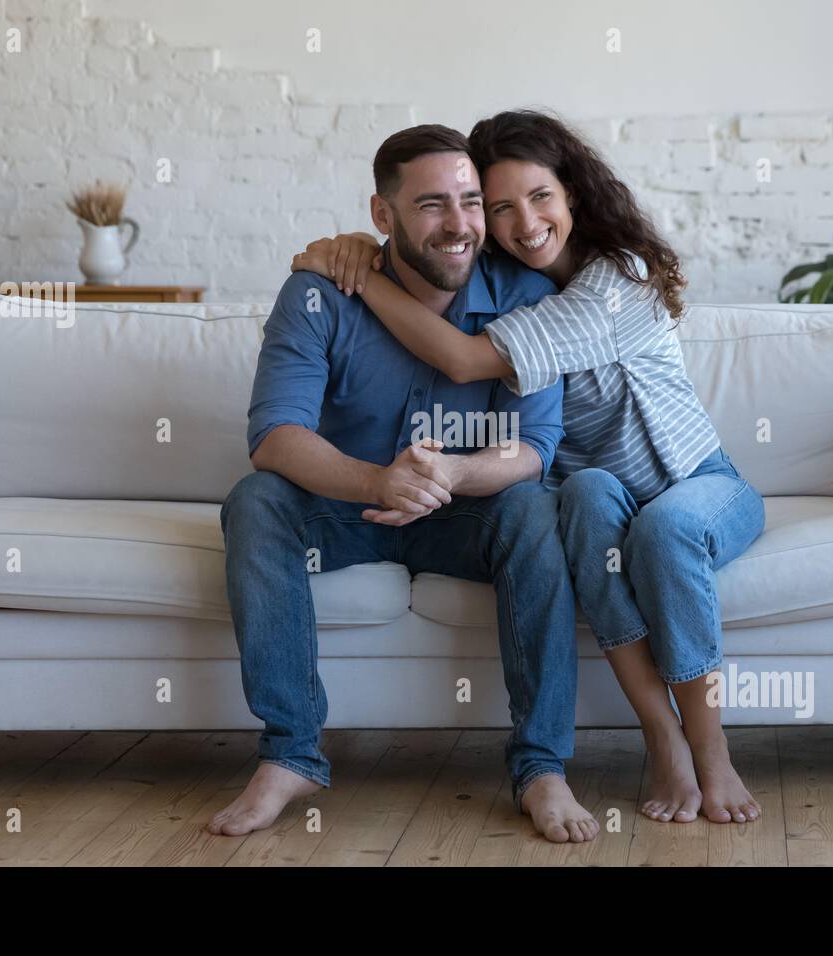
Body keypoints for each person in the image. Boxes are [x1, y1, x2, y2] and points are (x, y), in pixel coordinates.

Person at [290, 110, 766, 825]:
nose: (525, 222)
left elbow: (460, 358)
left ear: (572, 192)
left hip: (697, 482)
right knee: (582, 502)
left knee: (662, 530)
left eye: (540, 196)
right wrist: (366, 245)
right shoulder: (511, 283)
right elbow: (433, 263)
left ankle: (710, 748)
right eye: (501, 207)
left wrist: (361, 273)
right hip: (599, 493)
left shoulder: (617, 281)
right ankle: (661, 737)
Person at [210, 124, 600, 844]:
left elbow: (534, 448)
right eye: (431, 205)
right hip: (347, 510)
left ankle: (542, 766)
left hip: (466, 516)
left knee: (534, 511)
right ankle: (291, 752)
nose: (459, 226)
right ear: (382, 216)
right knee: (256, 502)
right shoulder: (318, 294)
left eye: (471, 201)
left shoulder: (528, 297)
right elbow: (273, 437)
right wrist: (379, 481)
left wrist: (452, 473)